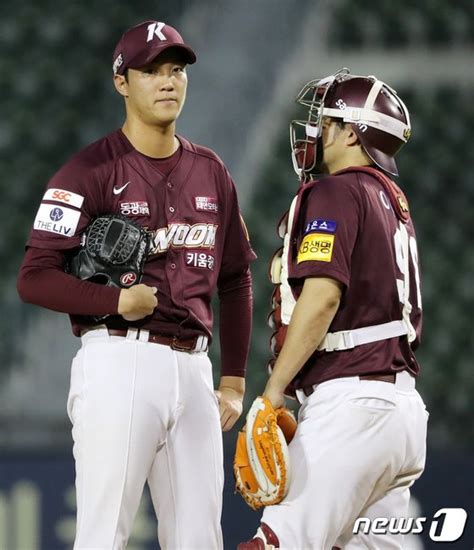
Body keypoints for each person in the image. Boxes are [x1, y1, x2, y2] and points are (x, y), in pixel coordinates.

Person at [17, 20, 256, 549]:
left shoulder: (212, 171)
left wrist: (235, 380)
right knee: (104, 536)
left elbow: (236, 277)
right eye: (151, 71)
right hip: (120, 360)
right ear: (121, 82)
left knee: (200, 540)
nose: (168, 81)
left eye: (176, 70)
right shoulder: (87, 171)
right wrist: (115, 300)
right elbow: (34, 278)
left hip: (194, 367)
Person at [239, 68, 428, 549]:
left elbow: (323, 297)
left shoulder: (336, 190)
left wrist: (274, 391)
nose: (317, 130)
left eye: (326, 121)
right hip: (402, 414)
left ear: (352, 132)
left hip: (352, 406)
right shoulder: (393, 200)